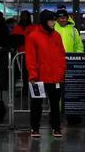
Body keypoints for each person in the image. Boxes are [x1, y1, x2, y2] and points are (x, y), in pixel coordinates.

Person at [25, 9, 67, 138]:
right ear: (44, 21)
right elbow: (31, 58)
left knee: (55, 105)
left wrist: (62, 72)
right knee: (36, 104)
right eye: (51, 20)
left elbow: (61, 55)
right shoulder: (33, 36)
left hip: (55, 77)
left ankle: (56, 127)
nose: (54, 22)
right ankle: (35, 128)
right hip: (39, 77)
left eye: (54, 20)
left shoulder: (57, 36)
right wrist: (32, 74)